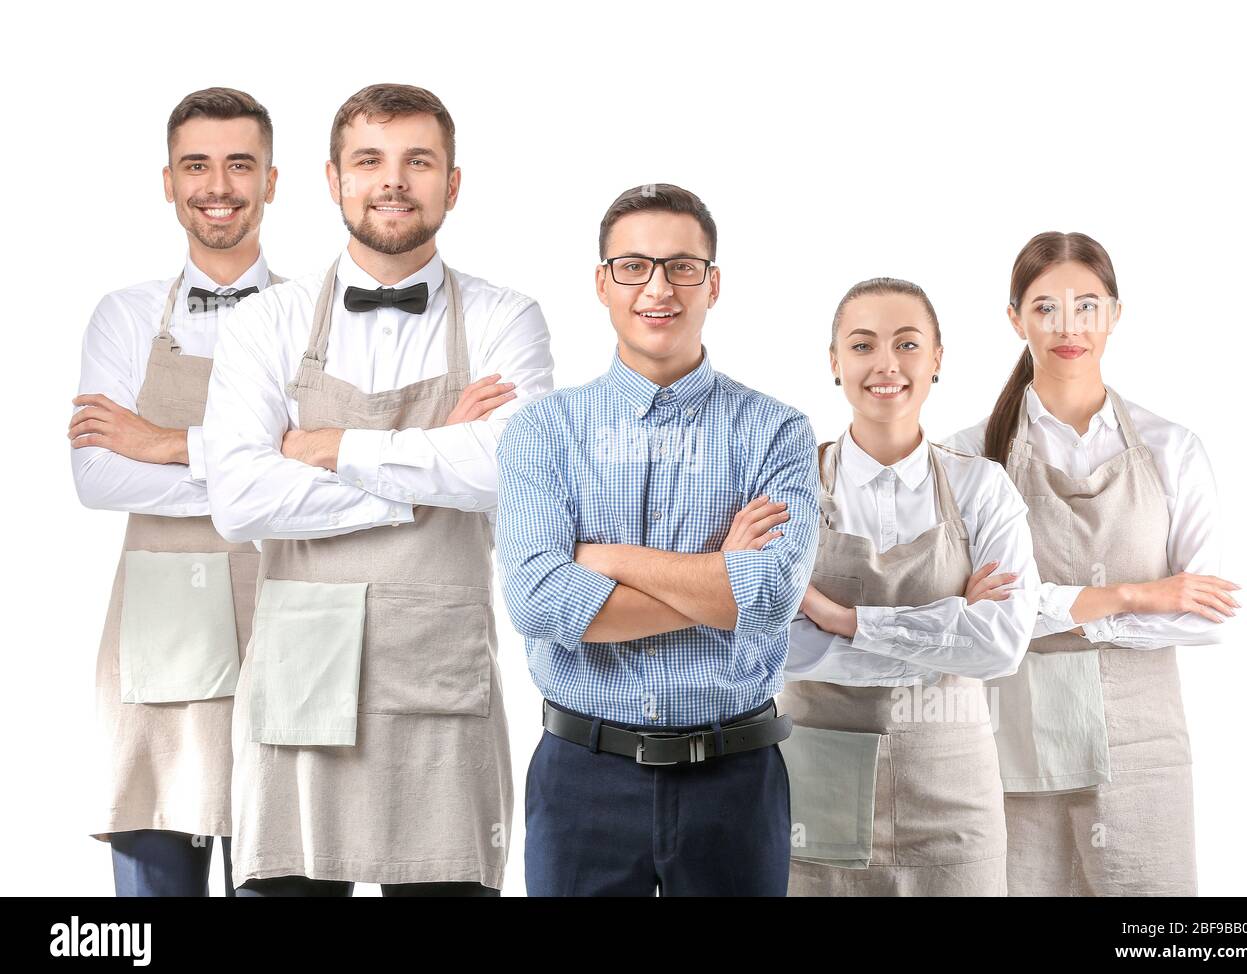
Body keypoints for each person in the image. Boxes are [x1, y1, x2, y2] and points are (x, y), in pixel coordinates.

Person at [203, 83, 554, 896]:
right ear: (333, 180)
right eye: (369, 160)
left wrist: (330, 449)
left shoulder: (509, 317)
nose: (392, 181)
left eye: (417, 161)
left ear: (452, 183)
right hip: (296, 681)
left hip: (439, 685)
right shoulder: (266, 321)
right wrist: (425, 475)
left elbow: (513, 468)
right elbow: (240, 497)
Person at [496, 183, 820, 897]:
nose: (658, 287)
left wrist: (607, 561)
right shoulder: (542, 431)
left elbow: (768, 596)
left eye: (682, 266)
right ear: (603, 283)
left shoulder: (777, 432)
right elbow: (537, 603)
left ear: (713, 284)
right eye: (634, 266)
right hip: (582, 776)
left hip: (736, 779)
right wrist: (718, 580)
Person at [944, 231, 1239, 896]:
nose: (1067, 326)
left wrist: (1053, 614)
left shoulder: (1173, 450)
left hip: (1144, 747)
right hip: (1013, 748)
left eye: (1087, 305)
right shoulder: (967, 458)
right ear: (1015, 318)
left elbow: (1207, 614)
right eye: (1045, 307)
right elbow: (967, 619)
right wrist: (1137, 597)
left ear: (1115, 314)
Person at [69, 87, 281, 896]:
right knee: (152, 899)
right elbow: (95, 477)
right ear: (168, 181)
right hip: (157, 624)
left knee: (285, 868)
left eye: (238, 164)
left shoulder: (313, 314)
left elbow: (324, 471)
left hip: (287, 615)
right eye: (197, 164)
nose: (217, 186)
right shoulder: (122, 316)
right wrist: (251, 472)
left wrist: (166, 447)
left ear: (272, 180)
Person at [780, 277, 1038, 896]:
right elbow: (771, 645)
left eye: (907, 344)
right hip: (818, 779)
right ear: (835, 362)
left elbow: (1001, 646)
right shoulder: (789, 487)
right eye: (863, 346)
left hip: (952, 793)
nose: (886, 365)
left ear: (937, 359)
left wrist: (844, 622)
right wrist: (950, 625)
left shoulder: (983, 489)